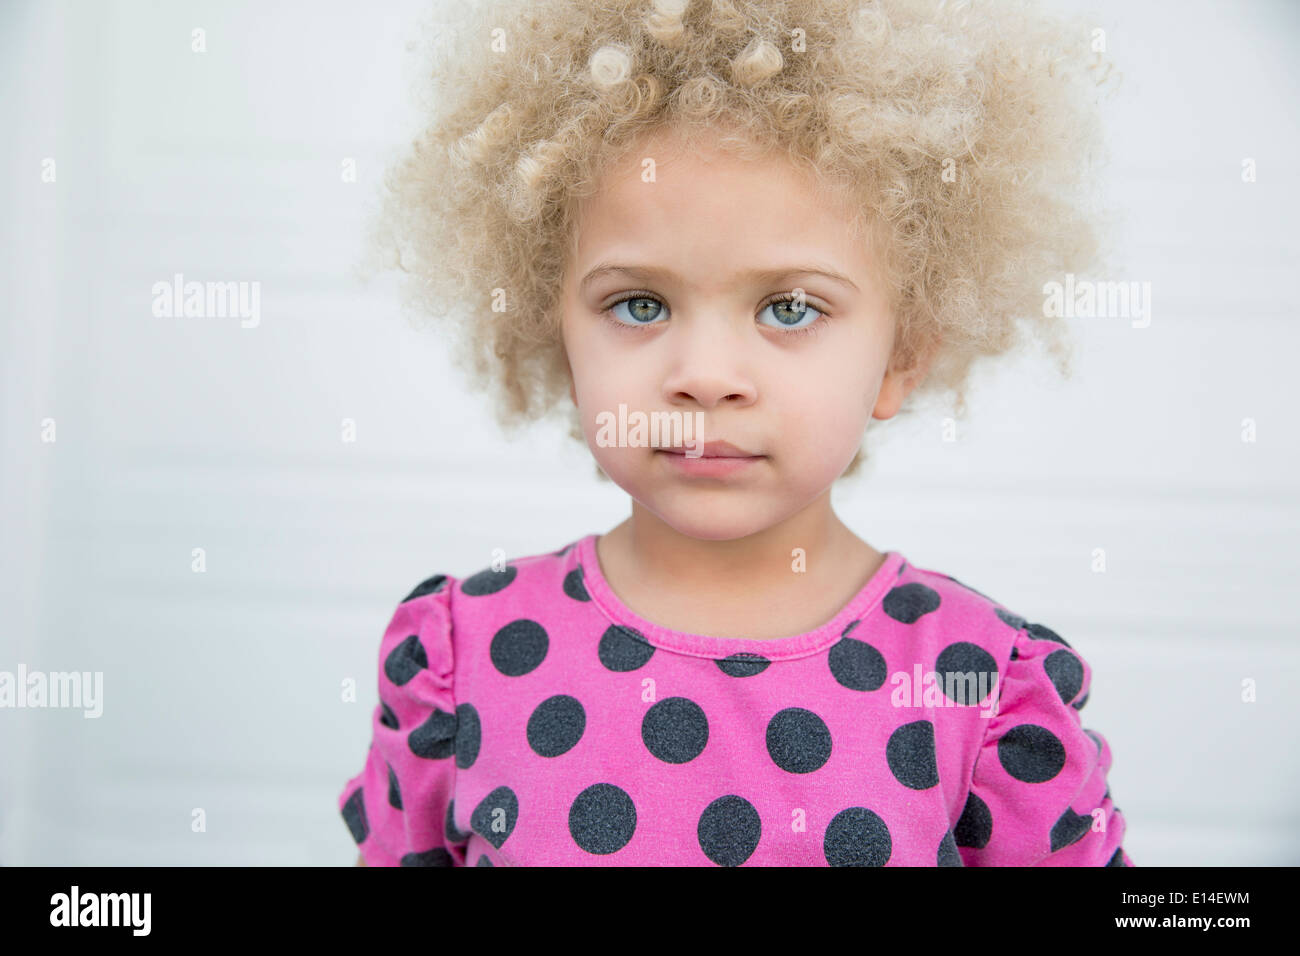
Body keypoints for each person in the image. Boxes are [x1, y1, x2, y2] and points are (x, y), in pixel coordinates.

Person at [339, 0, 1132, 866]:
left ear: (900, 357)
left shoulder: (982, 688)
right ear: (553, 331)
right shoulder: (464, 655)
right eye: (638, 304)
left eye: (790, 308)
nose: (707, 374)